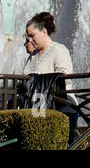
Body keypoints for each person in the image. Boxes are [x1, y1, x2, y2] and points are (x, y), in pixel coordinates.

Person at [22, 11, 78, 142]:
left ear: (44, 32)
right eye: (27, 38)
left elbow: (65, 76)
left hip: (60, 109)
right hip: (37, 110)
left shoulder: (59, 50)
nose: (30, 40)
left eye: (32, 36)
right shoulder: (33, 55)